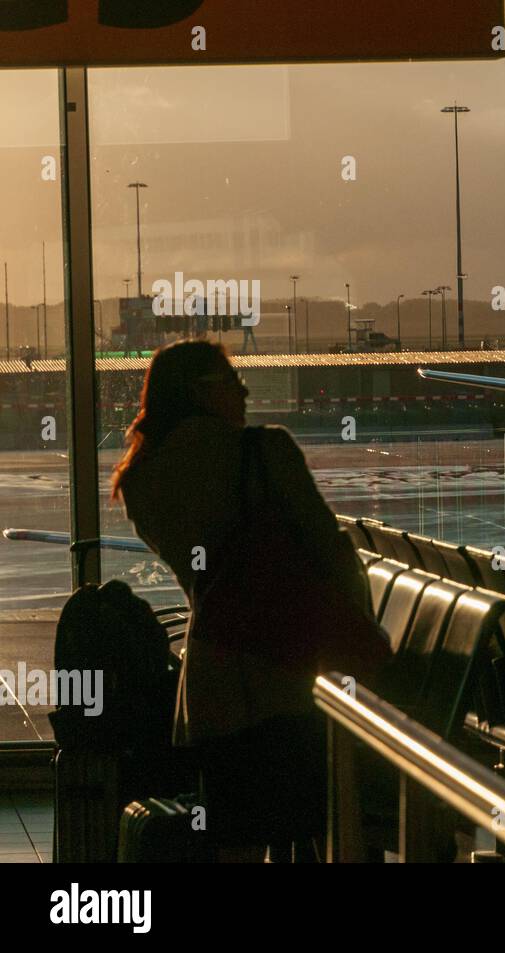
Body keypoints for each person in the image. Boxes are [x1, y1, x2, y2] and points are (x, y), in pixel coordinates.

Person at [112, 339, 374, 861]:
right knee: (325, 825)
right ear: (201, 391)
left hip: (214, 679)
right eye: (234, 383)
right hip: (290, 672)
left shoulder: (139, 480)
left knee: (237, 837)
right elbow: (334, 554)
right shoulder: (266, 451)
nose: (245, 394)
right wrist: (360, 633)